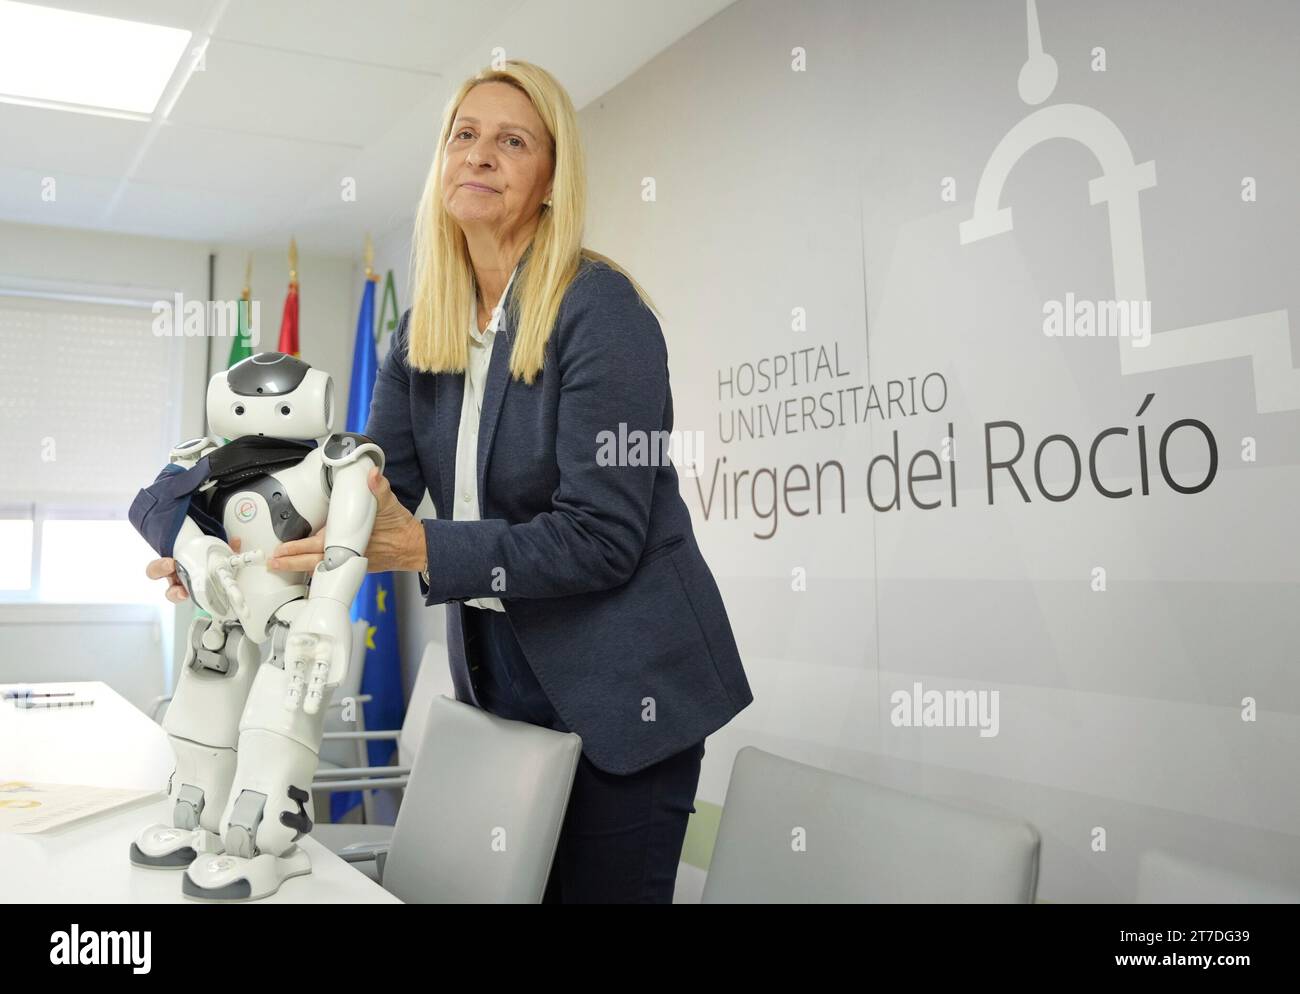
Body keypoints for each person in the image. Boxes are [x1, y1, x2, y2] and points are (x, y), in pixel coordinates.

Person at [150, 59, 753, 904]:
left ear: (550, 179)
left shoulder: (601, 312)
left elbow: (604, 537)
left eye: (512, 141)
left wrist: (419, 543)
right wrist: (229, 553)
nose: (480, 155)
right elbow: (356, 489)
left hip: (626, 683)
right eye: (464, 136)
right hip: (500, 669)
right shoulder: (419, 330)